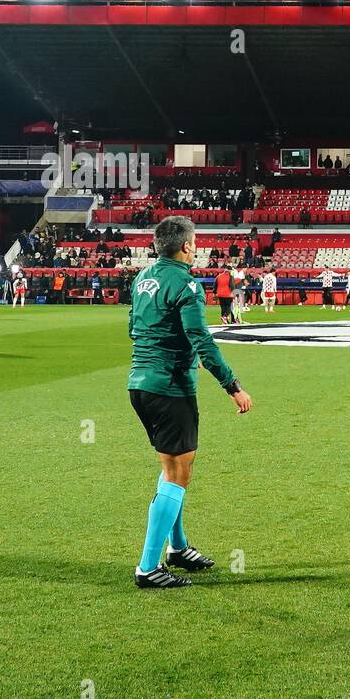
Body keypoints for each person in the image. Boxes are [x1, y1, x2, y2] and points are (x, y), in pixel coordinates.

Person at [127, 216, 253, 589]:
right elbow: (201, 337)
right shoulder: (186, 283)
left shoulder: (142, 278)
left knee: (173, 466)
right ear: (186, 246)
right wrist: (233, 386)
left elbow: (134, 326)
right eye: (194, 242)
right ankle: (148, 567)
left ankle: (177, 548)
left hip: (140, 383)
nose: (196, 247)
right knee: (178, 472)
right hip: (170, 387)